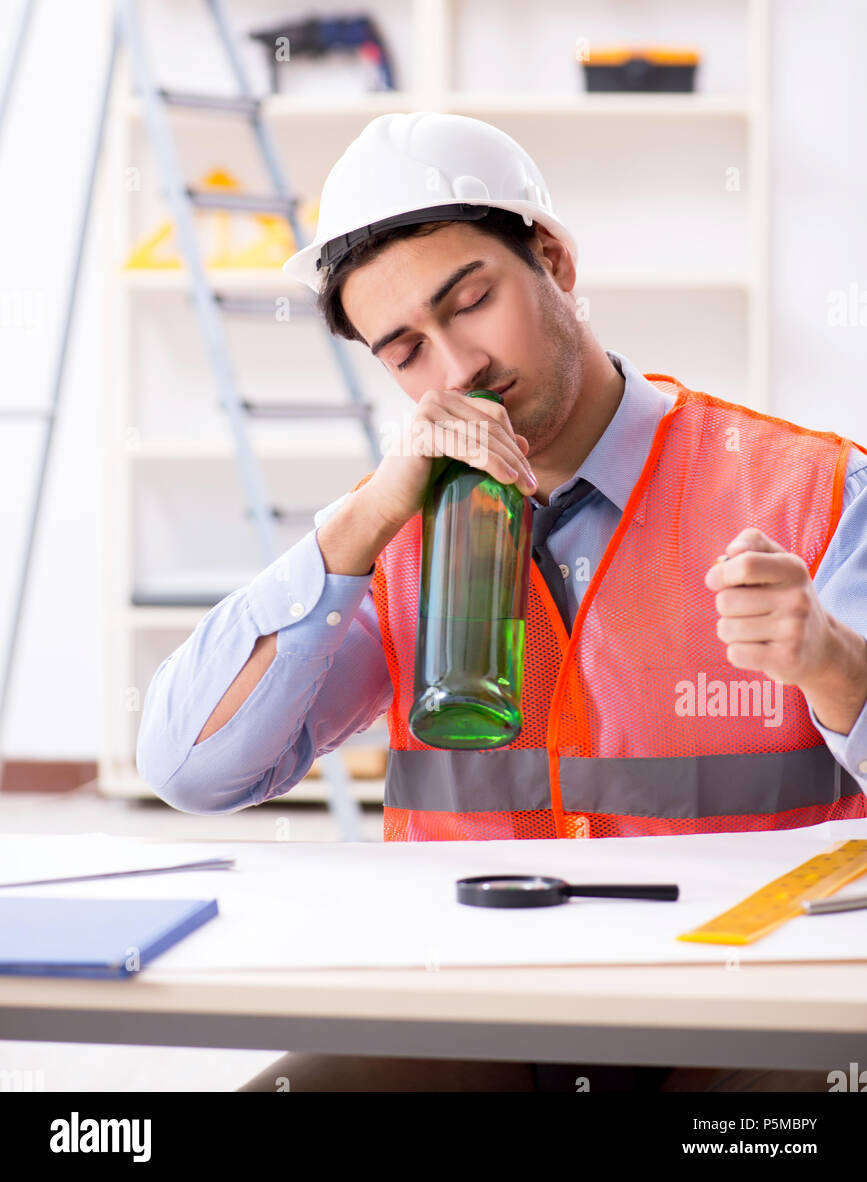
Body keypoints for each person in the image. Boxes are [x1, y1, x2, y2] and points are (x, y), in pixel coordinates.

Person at [137, 112, 867, 1093]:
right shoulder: (394, 538)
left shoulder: (811, 489)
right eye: (405, 351)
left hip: (745, 1018)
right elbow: (196, 769)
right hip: (474, 1016)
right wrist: (361, 521)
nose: (458, 369)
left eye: (470, 301)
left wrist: (833, 664)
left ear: (555, 260)